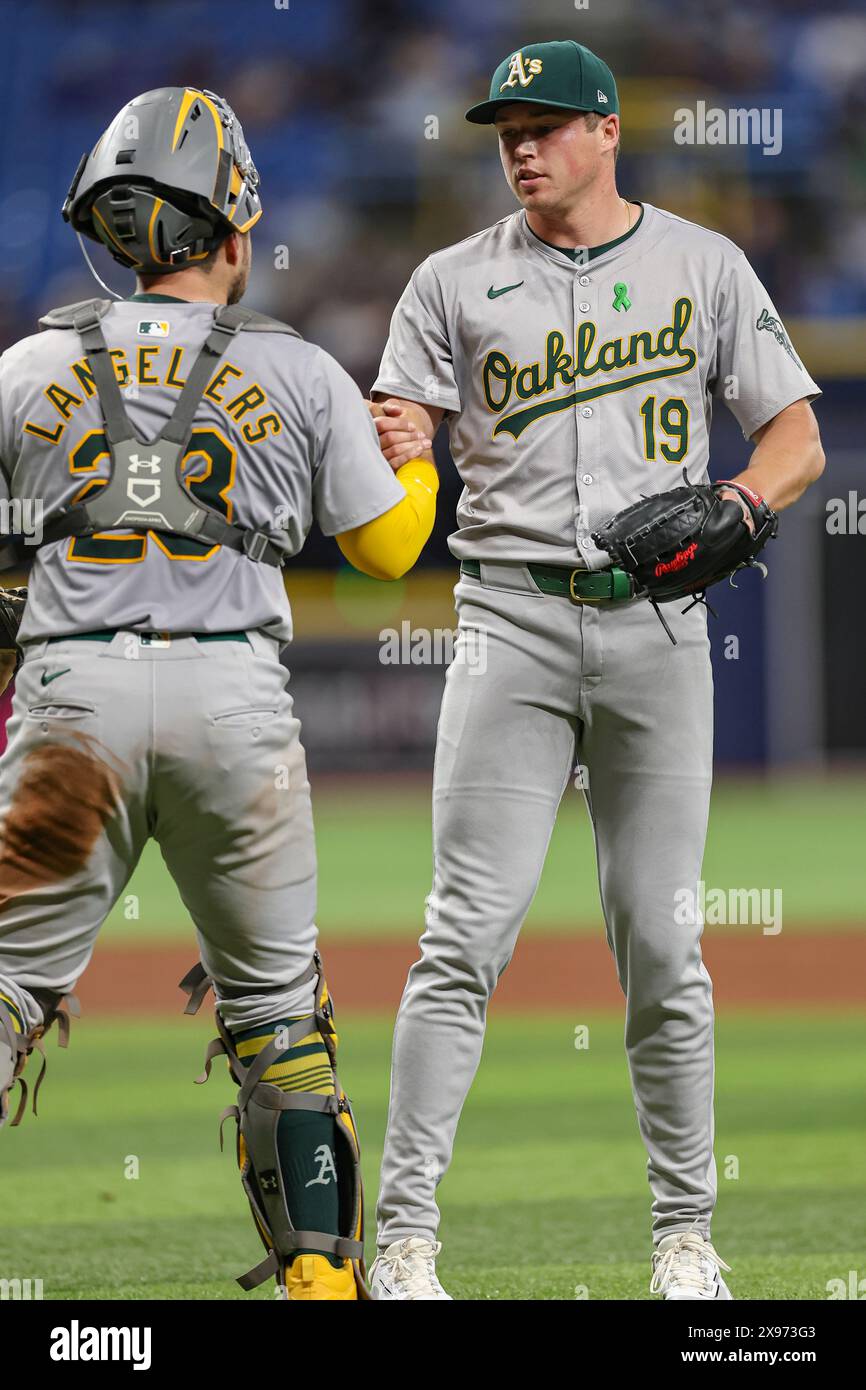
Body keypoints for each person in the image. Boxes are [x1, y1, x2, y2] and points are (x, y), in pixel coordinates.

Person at [365, 40, 825, 1300]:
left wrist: (740, 495)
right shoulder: (448, 280)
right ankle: (401, 1243)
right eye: (506, 127)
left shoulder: (701, 264)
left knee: (666, 944)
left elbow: (795, 436)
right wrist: (393, 434)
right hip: (504, 618)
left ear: (607, 130)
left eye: (547, 123)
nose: (521, 144)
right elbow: (392, 442)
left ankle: (685, 1239)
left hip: (655, 627)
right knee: (460, 938)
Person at [0, 85, 437, 1302]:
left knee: (6, 987)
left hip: (71, 706)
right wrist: (420, 464)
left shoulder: (26, 364)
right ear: (235, 230)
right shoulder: (295, 369)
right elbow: (389, 553)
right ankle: (319, 1283)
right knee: (279, 1019)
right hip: (236, 705)